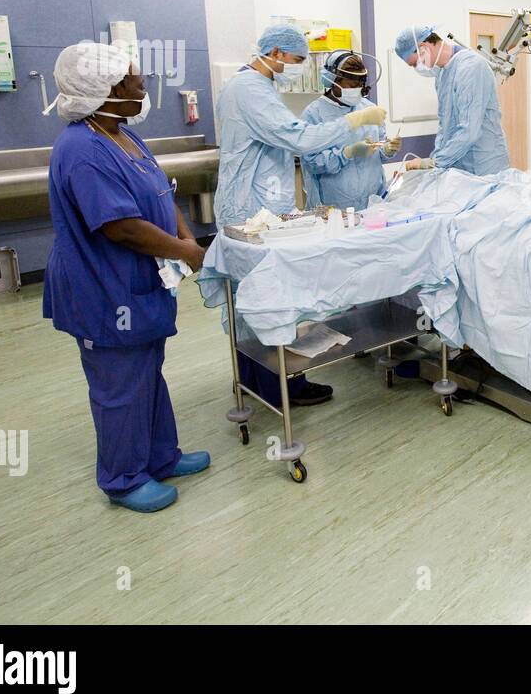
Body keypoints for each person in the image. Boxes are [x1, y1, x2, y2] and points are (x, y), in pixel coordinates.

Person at [43, 42, 210, 513]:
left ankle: (159, 456)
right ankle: (122, 479)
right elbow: (121, 227)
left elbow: (160, 190)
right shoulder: (83, 149)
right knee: (119, 386)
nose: (143, 84)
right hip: (103, 288)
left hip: (139, 285)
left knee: (147, 374)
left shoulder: (122, 134)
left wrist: (185, 238)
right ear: (108, 88)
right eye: (135, 78)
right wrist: (186, 253)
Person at [215, 25, 386, 407]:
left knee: (264, 296)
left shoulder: (255, 88)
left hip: (259, 202)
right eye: (295, 60)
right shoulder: (248, 90)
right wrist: (352, 123)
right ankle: (271, 383)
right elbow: (298, 139)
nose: (296, 67)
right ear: (275, 52)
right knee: (262, 297)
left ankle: (264, 378)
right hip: (250, 207)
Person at [393, 25, 510, 174]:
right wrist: (431, 165)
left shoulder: (471, 67)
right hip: (459, 166)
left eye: (415, 63)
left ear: (423, 48)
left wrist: (435, 163)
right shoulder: (441, 75)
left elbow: (469, 130)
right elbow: (445, 127)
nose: (417, 68)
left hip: (484, 166)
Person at [301, 50, 400, 211]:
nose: (357, 90)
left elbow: (377, 155)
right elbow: (312, 163)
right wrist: (347, 153)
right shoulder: (313, 115)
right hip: (335, 209)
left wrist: (387, 150)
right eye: (352, 86)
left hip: (373, 204)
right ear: (332, 81)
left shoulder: (369, 110)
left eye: (360, 85)